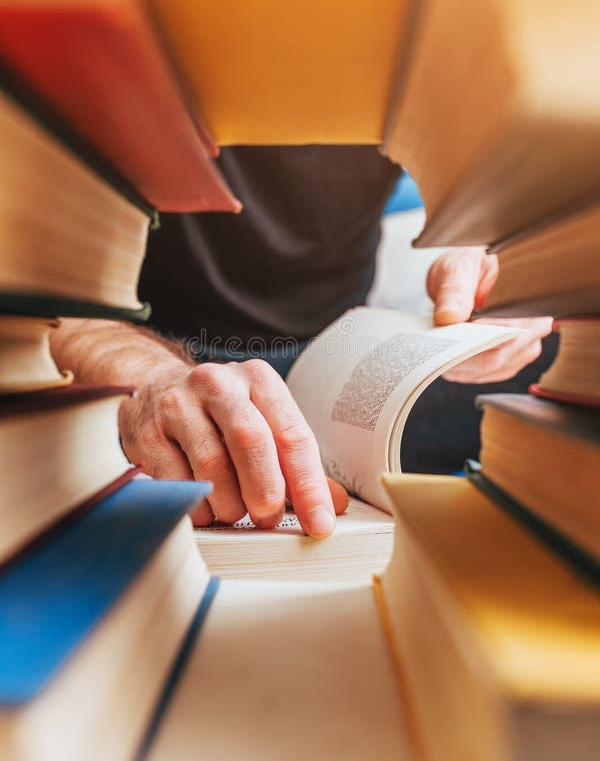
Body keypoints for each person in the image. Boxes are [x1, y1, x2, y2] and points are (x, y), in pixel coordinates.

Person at [50, 146, 553, 539]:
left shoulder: (412, 55)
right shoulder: (107, 55)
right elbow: (46, 306)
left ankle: (274, 447)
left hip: (339, 372)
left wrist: (495, 261)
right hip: (162, 359)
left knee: (564, 350)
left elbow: (485, 189)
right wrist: (150, 387)